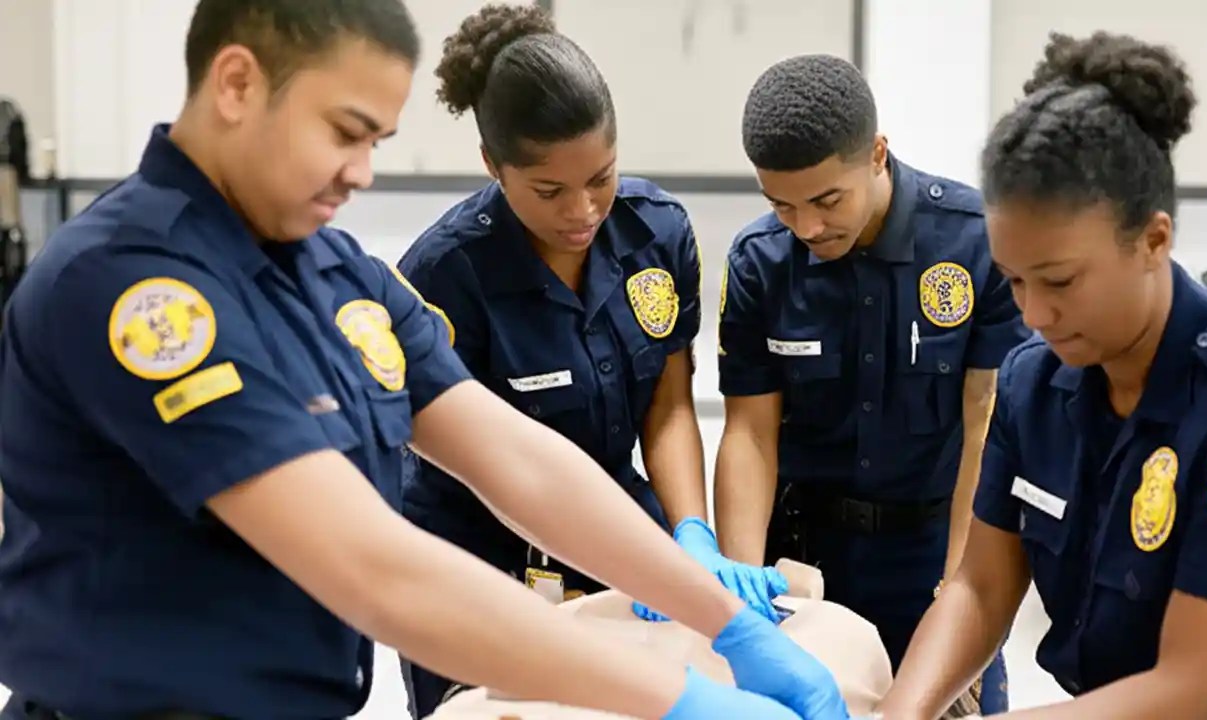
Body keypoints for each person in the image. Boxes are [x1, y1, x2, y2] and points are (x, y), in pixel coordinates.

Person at [0, 2, 853, 719]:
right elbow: (377, 570)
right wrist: (679, 699)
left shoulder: (342, 279)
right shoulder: (135, 294)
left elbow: (521, 461)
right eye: (346, 132)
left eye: (380, 139)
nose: (365, 173)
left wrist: (720, 618)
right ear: (236, 84)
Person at [872, 31, 1207, 720]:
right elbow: (980, 588)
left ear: (1153, 240)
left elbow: (1193, 691)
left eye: (1059, 281)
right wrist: (900, 714)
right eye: (1014, 281)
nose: (1035, 313)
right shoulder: (1034, 384)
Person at [395, 4, 788, 715]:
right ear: (494, 167)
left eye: (601, 177)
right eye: (550, 191)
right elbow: (484, 461)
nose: (582, 210)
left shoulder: (656, 233)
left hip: (613, 524)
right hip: (477, 553)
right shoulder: (446, 276)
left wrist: (689, 533)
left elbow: (669, 406)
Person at [711, 53, 1032, 716]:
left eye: (827, 201)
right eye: (782, 205)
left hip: (933, 553)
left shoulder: (975, 244)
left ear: (877, 155)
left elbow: (985, 429)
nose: (807, 227)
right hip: (805, 564)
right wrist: (736, 605)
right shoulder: (759, 263)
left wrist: (959, 596)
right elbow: (749, 434)